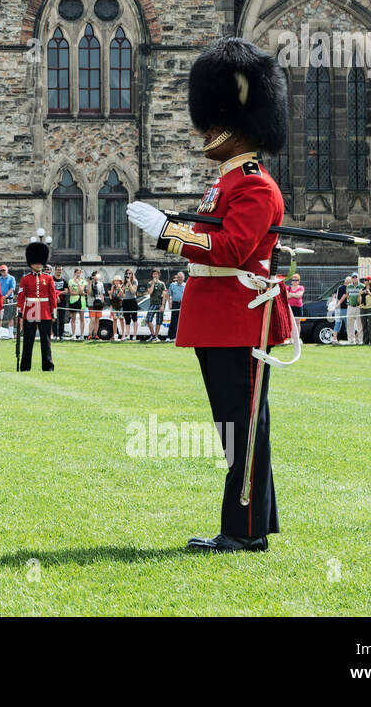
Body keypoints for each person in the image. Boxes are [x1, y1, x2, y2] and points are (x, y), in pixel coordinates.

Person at [127, 37, 292, 552]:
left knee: (241, 428)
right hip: (221, 317)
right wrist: (176, 226)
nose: (205, 130)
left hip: (239, 317)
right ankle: (252, 524)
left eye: (215, 119)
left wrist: (166, 234)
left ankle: (243, 532)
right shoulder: (226, 184)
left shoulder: (254, 185)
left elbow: (232, 249)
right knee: (237, 426)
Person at [16, 241, 57, 370]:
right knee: (28, 341)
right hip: (30, 311)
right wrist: (20, 313)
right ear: (31, 263)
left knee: (46, 341)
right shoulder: (25, 278)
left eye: (40, 262)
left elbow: (52, 296)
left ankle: (48, 365)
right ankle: (25, 366)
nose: (38, 264)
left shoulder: (48, 278)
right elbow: (21, 297)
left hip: (45, 311)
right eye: (36, 262)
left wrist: (53, 312)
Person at [145, 269, 166, 342]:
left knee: (159, 321)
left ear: (159, 275)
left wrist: (163, 305)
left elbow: (164, 295)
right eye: (154, 274)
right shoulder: (149, 283)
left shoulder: (162, 284)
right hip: (152, 304)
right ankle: (153, 335)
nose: (155, 275)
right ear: (152, 275)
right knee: (148, 319)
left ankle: (156, 336)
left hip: (160, 304)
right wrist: (153, 284)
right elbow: (150, 292)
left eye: (156, 274)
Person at [358, 275, 371, 345]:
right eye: (364, 280)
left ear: (370, 281)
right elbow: (359, 301)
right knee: (364, 326)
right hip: (362, 308)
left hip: (370, 308)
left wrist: (369, 293)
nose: (364, 281)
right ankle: (365, 342)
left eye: (366, 280)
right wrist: (360, 295)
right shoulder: (361, 289)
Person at [67, 268, 86, 340]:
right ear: (74, 273)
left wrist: (78, 282)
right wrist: (80, 293)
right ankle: (73, 335)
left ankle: (82, 335)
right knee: (73, 319)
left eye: (79, 273)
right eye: (77, 273)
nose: (78, 274)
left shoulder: (83, 281)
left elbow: (82, 290)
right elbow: (71, 292)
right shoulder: (71, 281)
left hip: (82, 301)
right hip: (73, 301)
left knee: (82, 318)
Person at [167, 270, 186, 342]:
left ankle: (181, 337)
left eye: (181, 277)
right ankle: (170, 336)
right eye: (178, 277)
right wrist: (169, 303)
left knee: (182, 321)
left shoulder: (186, 285)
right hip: (175, 303)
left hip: (183, 305)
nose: (180, 279)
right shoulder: (173, 285)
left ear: (183, 278)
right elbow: (168, 294)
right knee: (173, 321)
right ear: (177, 278)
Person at [122, 269, 140, 341]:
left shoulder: (134, 281)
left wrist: (129, 283)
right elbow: (123, 294)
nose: (128, 275)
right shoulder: (124, 282)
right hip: (125, 301)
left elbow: (133, 291)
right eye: (127, 273)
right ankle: (128, 335)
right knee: (127, 319)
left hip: (132, 301)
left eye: (130, 273)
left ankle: (135, 335)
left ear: (132, 274)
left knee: (134, 318)